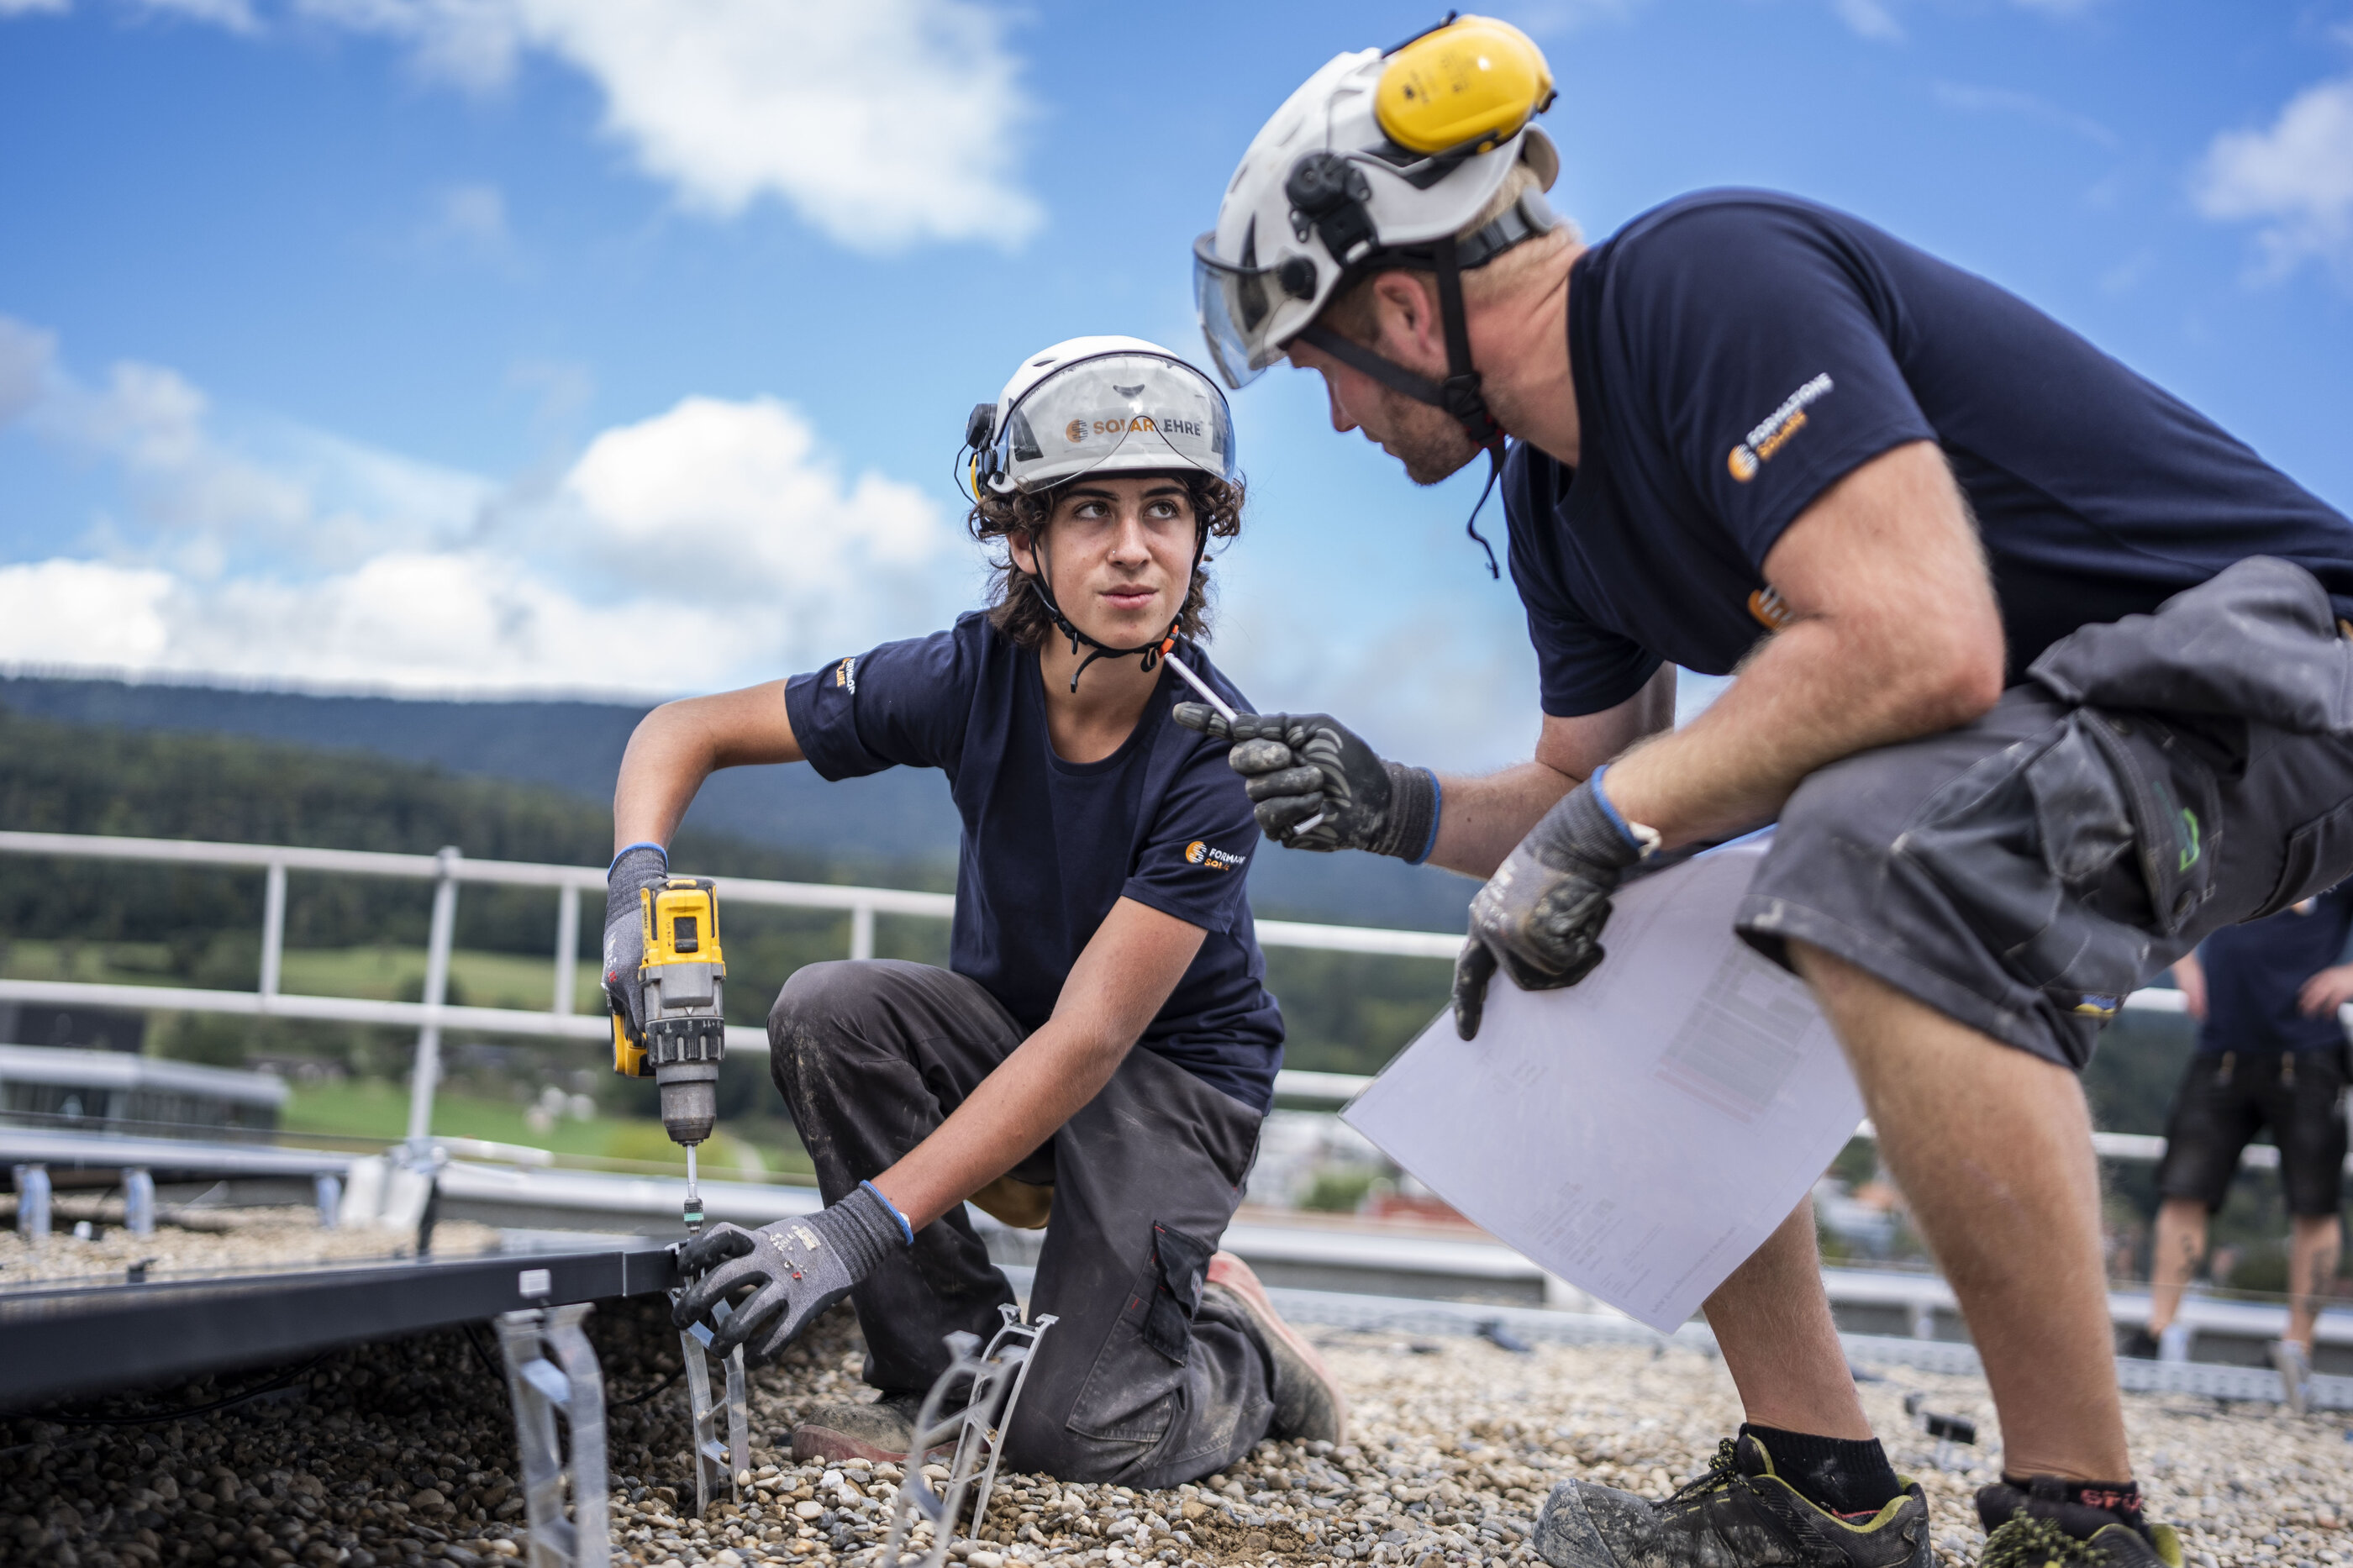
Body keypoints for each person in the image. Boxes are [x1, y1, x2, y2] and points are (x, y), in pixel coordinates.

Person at [1185, 15, 2353, 1568]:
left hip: (2280, 680)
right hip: (2061, 738)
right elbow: (1593, 788)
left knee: (1878, 847)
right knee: (1612, 920)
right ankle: (1822, 1490)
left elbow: (1920, 638)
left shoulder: (1700, 282)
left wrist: (1609, 824)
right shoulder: (1552, 503)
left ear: (1402, 308)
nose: (1338, 415)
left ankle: (2082, 1521)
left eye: (1323, 367)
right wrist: (1396, 802)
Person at [604, 337, 1344, 1486]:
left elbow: (1090, 1039)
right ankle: (941, 1374)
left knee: (1082, 1435)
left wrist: (844, 1235)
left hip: (1171, 1083)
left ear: (1206, 530)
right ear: (1022, 537)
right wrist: (633, 884)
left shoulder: (1217, 759)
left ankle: (1239, 1349)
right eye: (1090, 510)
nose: (1135, 547)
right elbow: (683, 731)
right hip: (1014, 1043)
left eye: (1165, 508)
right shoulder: (966, 675)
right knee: (830, 1007)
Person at [2129, 884, 2350, 1411]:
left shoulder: (2339, 848)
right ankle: (2158, 1334)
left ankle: (2296, 1349)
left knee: (2314, 1205)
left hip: (2310, 1054)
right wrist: (2185, 968)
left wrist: (2349, 975)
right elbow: (2168, 901)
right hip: (2222, 1048)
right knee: (2183, 1190)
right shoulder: (2235, 844)